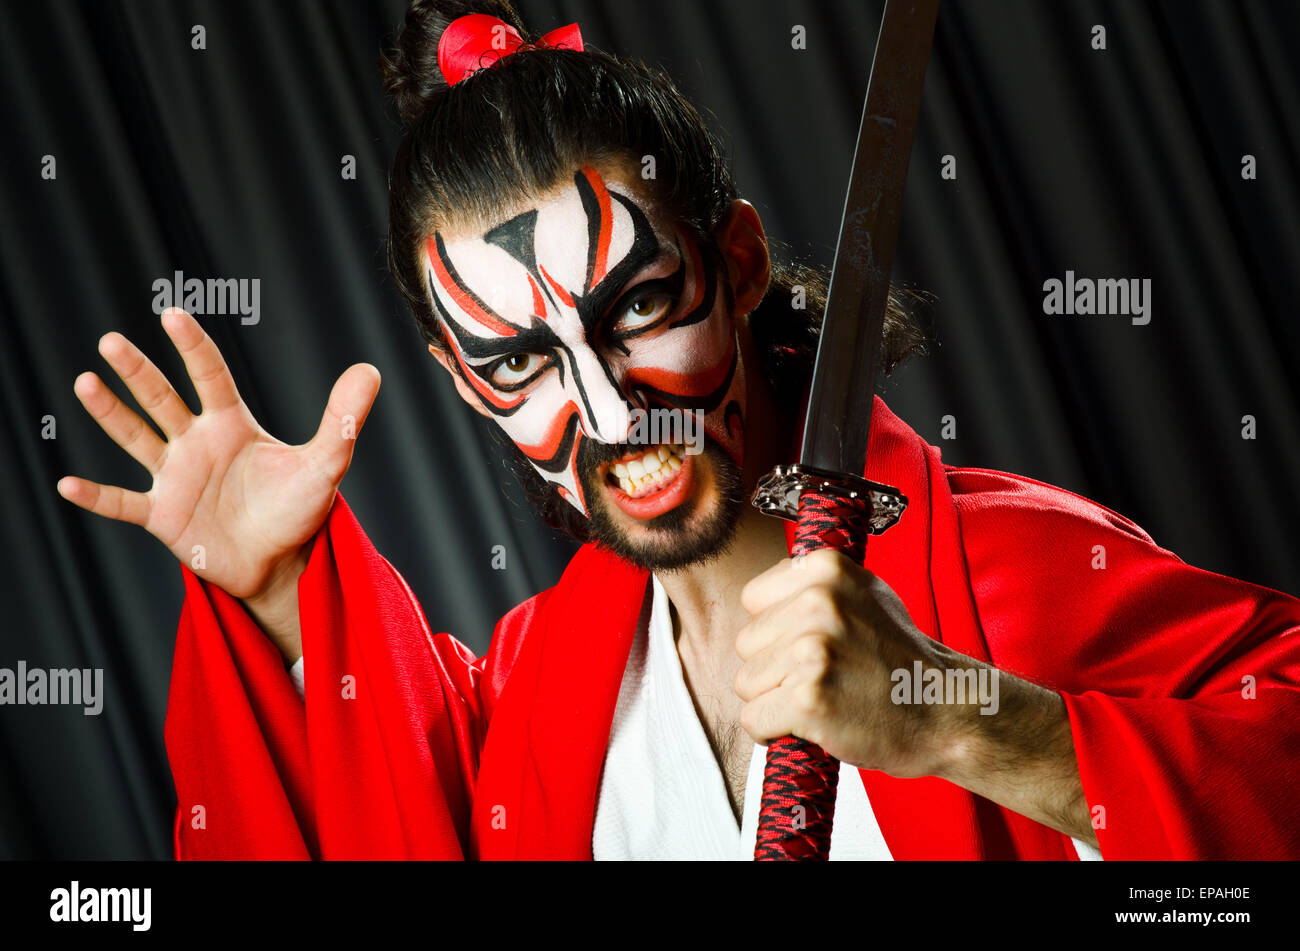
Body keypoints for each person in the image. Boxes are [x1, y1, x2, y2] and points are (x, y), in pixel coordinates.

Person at [58, 0, 1300, 860]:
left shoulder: (1003, 571)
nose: (606, 410)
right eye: (518, 359)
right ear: (456, 377)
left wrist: (963, 721)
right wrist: (280, 594)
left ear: (741, 262)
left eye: (638, 308)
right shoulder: (543, 690)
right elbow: (391, 822)